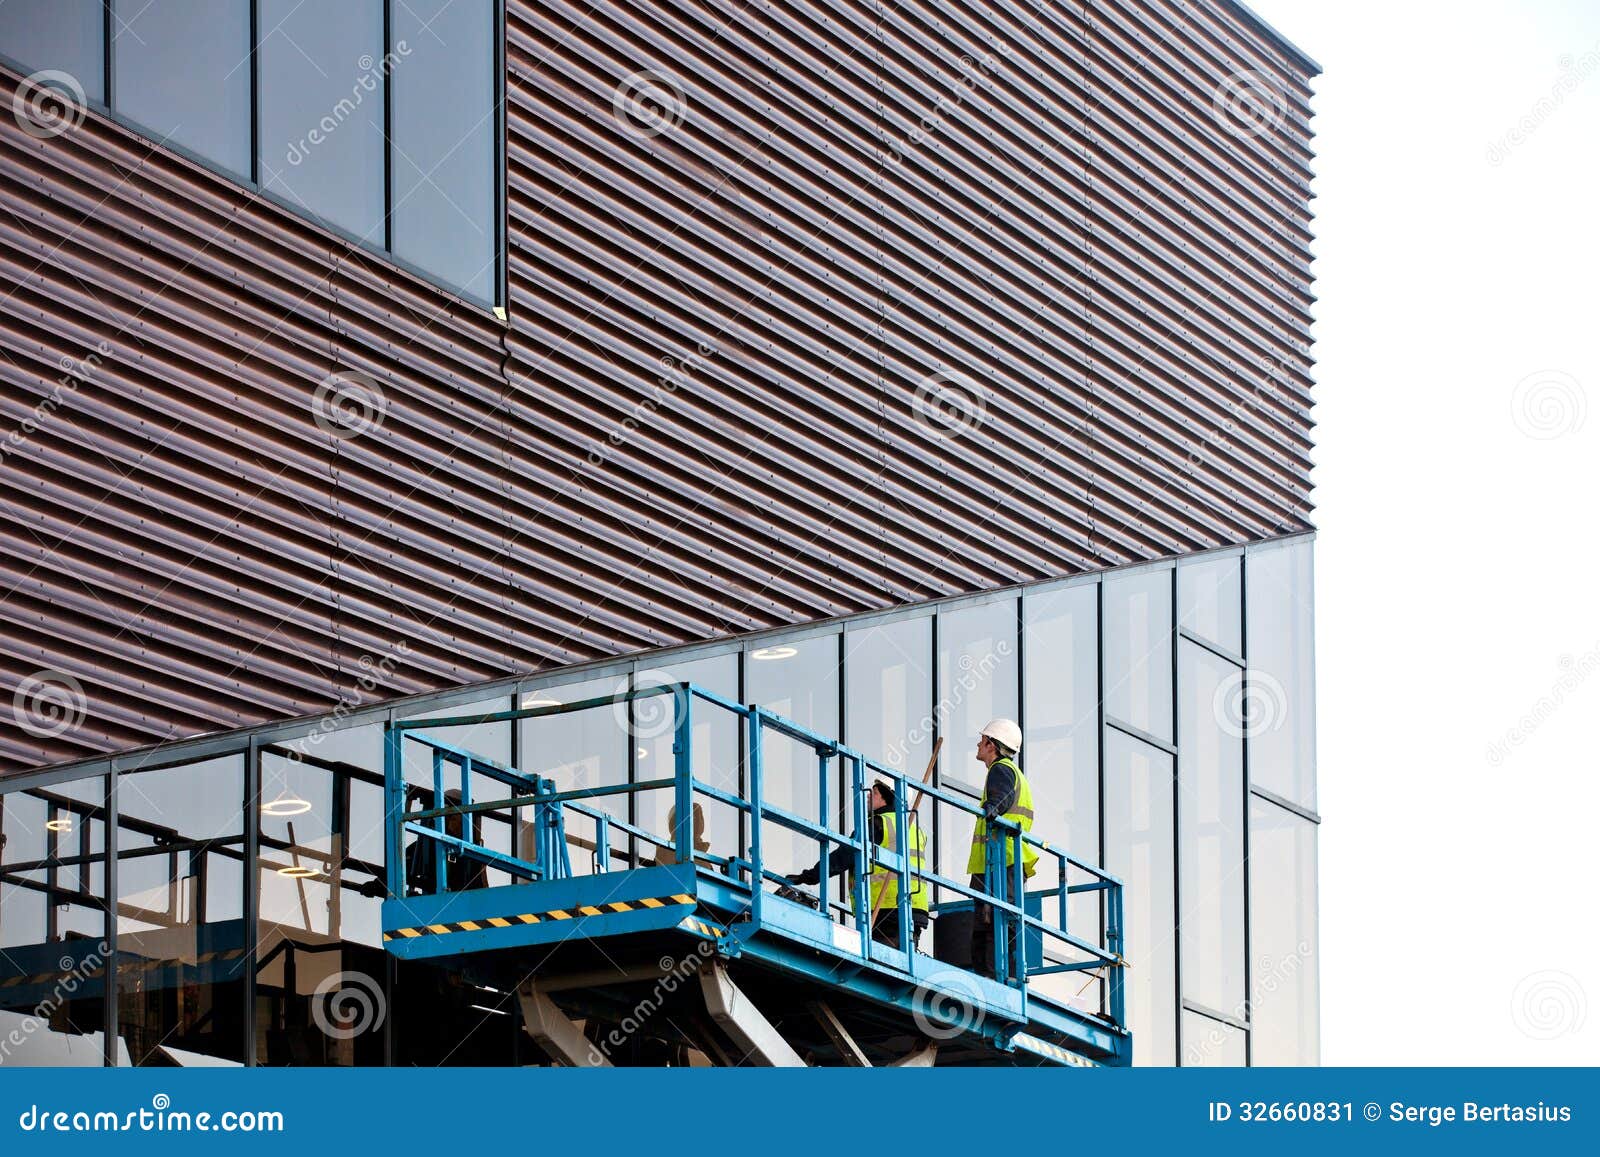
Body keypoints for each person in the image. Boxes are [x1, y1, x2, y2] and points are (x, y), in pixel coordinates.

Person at [784, 779, 929, 949]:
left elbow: (844, 856)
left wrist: (810, 876)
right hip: (914, 910)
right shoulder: (916, 830)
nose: (868, 796)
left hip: (888, 908)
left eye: (874, 793)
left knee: (879, 964)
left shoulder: (878, 823)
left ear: (887, 798)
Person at [968, 718, 1037, 979]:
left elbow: (1000, 798)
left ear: (992, 745)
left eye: (983, 739)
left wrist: (991, 808)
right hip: (1004, 859)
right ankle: (1004, 973)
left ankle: (992, 975)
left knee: (990, 920)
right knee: (1000, 918)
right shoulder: (1013, 773)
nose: (978, 743)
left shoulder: (1001, 770)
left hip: (998, 860)